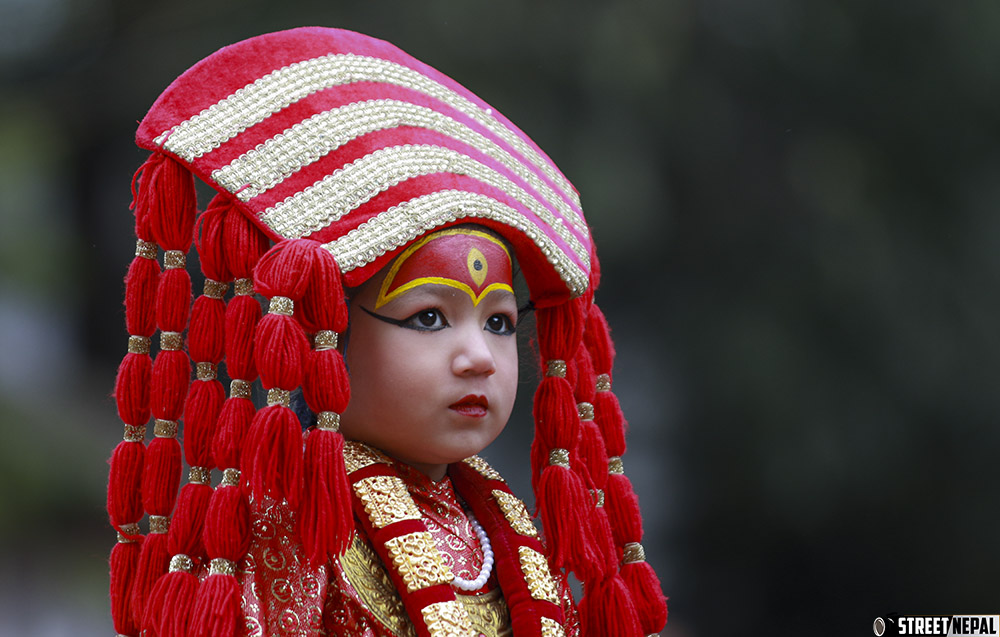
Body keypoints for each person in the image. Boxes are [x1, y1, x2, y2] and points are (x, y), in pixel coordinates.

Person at [105, 27, 667, 637]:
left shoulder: (502, 529)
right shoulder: (296, 528)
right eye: (429, 318)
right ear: (332, 336)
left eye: (500, 323)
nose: (478, 357)